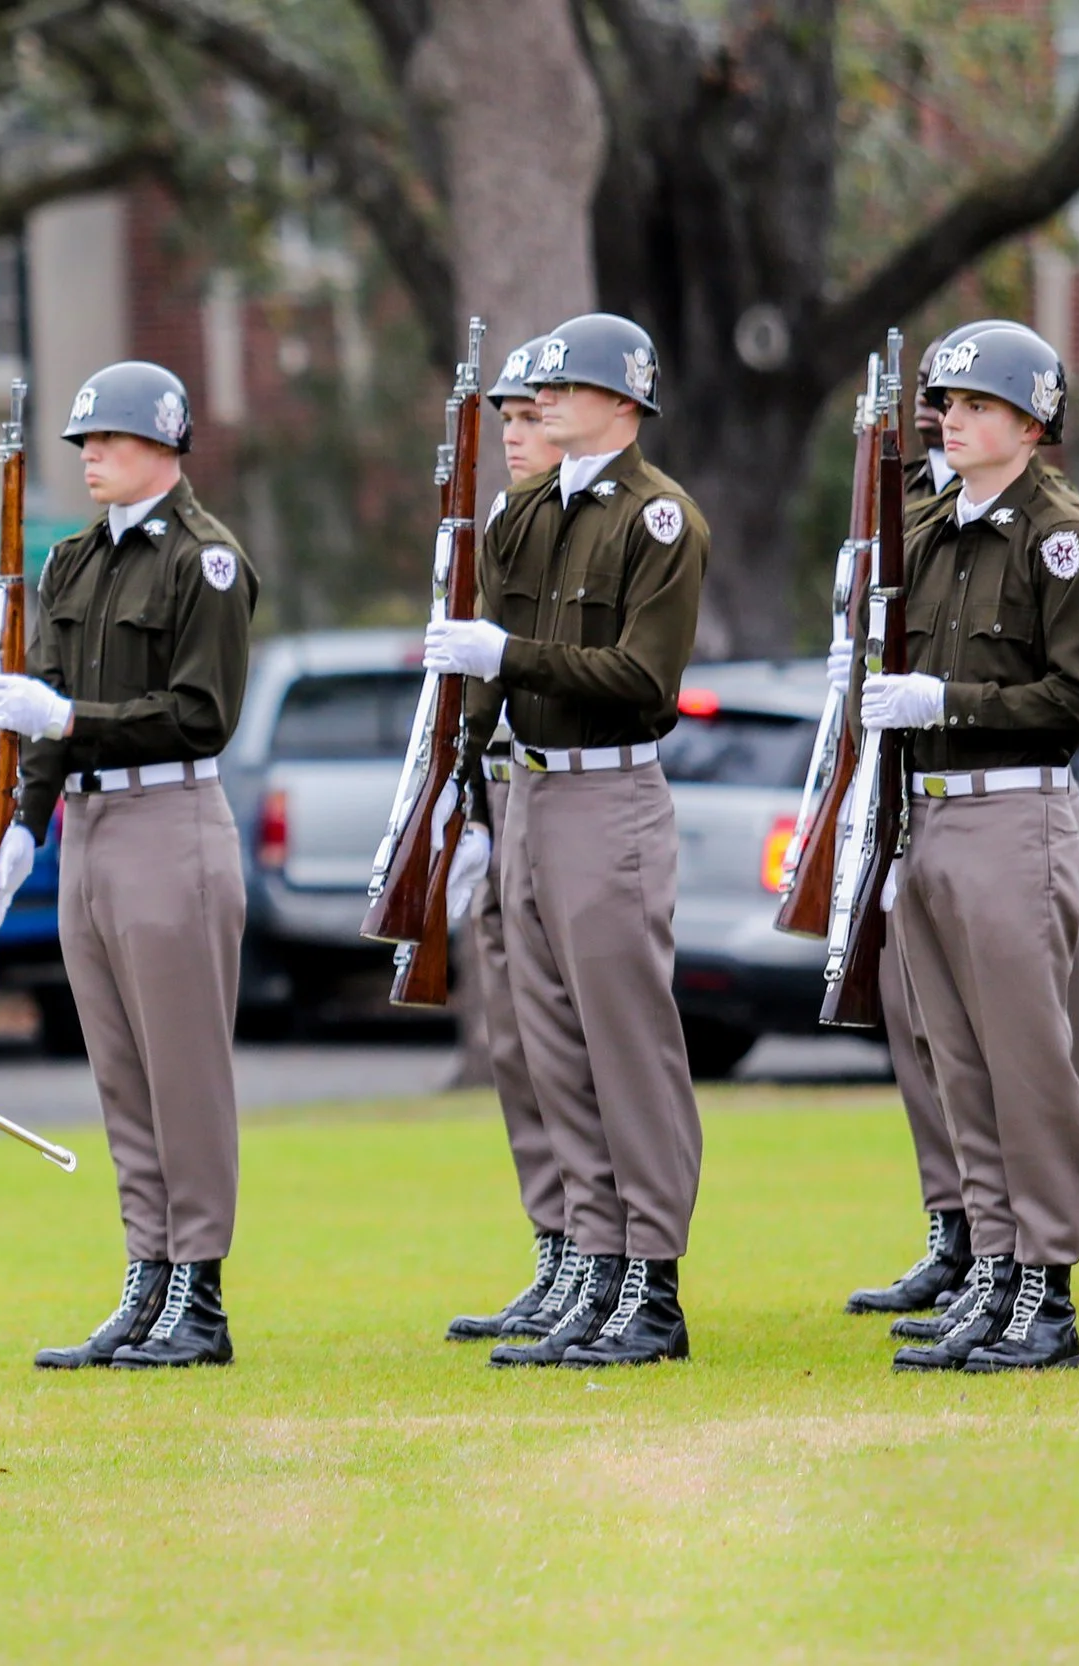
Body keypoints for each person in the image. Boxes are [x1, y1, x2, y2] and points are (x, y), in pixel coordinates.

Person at [430, 311, 708, 1369]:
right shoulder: (527, 515)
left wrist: (510, 649)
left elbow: (645, 681)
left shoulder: (659, 519)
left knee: (624, 1047)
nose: (539, 405)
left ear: (622, 402)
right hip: (532, 797)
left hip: (608, 793)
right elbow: (490, 680)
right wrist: (462, 794)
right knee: (551, 1045)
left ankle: (651, 1278)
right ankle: (592, 1262)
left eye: (562, 389)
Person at [0, 361, 258, 1370]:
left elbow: (201, 713)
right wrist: (25, 822)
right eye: (84, 442)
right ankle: (147, 1273)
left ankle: (200, 1289)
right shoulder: (72, 564)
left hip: (170, 822)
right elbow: (49, 705)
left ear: (163, 447)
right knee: (122, 1076)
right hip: (91, 835)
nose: (90, 455)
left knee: (184, 1075)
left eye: (108, 439)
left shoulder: (204, 561)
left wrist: (64, 717)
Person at [861, 326, 1079, 1373]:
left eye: (972, 405)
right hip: (931, 812)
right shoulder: (927, 533)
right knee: (957, 1062)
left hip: (1015, 809)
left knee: (1027, 1061)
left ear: (1027, 421)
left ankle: (1047, 1289)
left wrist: (947, 700)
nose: (950, 420)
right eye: (945, 406)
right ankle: (997, 1267)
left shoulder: (1059, 535)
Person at [443, 335, 579, 1342]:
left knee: (568, 1044)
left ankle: (595, 1250)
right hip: (501, 792)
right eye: (511, 422)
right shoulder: (499, 521)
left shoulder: (572, 524)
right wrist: (456, 803)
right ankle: (553, 1245)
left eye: (535, 416)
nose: (520, 437)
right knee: (512, 1043)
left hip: (556, 785)